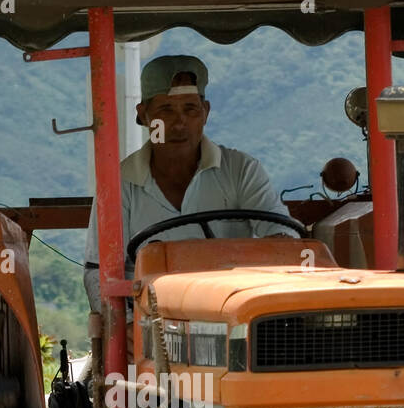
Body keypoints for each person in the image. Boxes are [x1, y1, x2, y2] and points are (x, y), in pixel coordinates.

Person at [84, 54, 288, 311]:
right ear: (144, 115)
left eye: (190, 109)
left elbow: (284, 239)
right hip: (150, 326)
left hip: (230, 317)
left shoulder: (242, 170)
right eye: (165, 110)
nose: (179, 123)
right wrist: (125, 329)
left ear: (205, 113)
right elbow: (97, 271)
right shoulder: (119, 181)